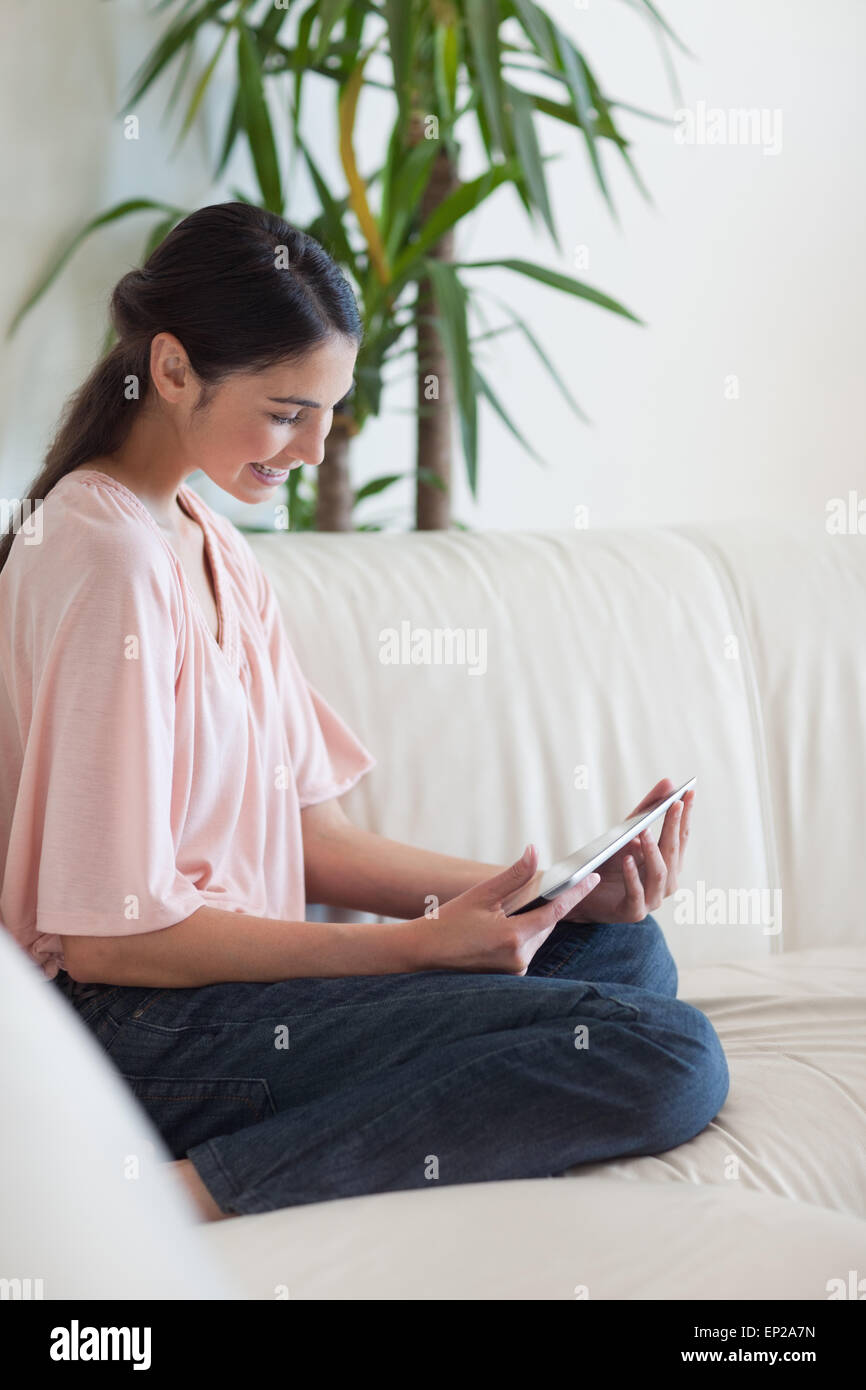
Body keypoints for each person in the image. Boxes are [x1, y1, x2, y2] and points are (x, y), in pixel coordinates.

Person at [0, 202, 728, 1221]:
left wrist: (534, 895)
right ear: (170, 369)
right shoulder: (106, 557)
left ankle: (333, 1118)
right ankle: (182, 1195)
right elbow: (110, 942)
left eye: (328, 413)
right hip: (130, 1030)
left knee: (620, 951)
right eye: (286, 408)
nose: (309, 449)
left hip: (235, 1007)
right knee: (669, 1054)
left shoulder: (214, 547)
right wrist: (415, 946)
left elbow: (313, 840)